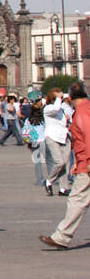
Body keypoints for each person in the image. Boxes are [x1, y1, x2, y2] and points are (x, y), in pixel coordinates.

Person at [40, 80, 90, 250]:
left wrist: (87, 161)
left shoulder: (82, 112)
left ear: (70, 98)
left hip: (88, 164)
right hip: (83, 161)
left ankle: (62, 236)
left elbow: (89, 136)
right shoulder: (86, 109)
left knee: (76, 200)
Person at [43, 87, 73, 197]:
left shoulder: (61, 108)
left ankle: (64, 188)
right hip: (52, 137)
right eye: (57, 97)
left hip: (64, 137)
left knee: (65, 163)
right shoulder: (48, 108)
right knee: (59, 162)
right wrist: (59, 98)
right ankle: (49, 181)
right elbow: (55, 109)